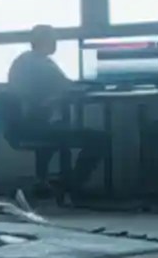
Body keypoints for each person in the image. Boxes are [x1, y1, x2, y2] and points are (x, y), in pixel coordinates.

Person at [7, 25, 108, 202]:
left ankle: (45, 181)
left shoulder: (21, 61)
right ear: (44, 41)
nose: (56, 44)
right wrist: (93, 86)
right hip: (38, 127)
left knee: (58, 129)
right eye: (54, 40)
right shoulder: (43, 64)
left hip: (23, 126)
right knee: (99, 139)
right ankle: (72, 187)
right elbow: (67, 86)